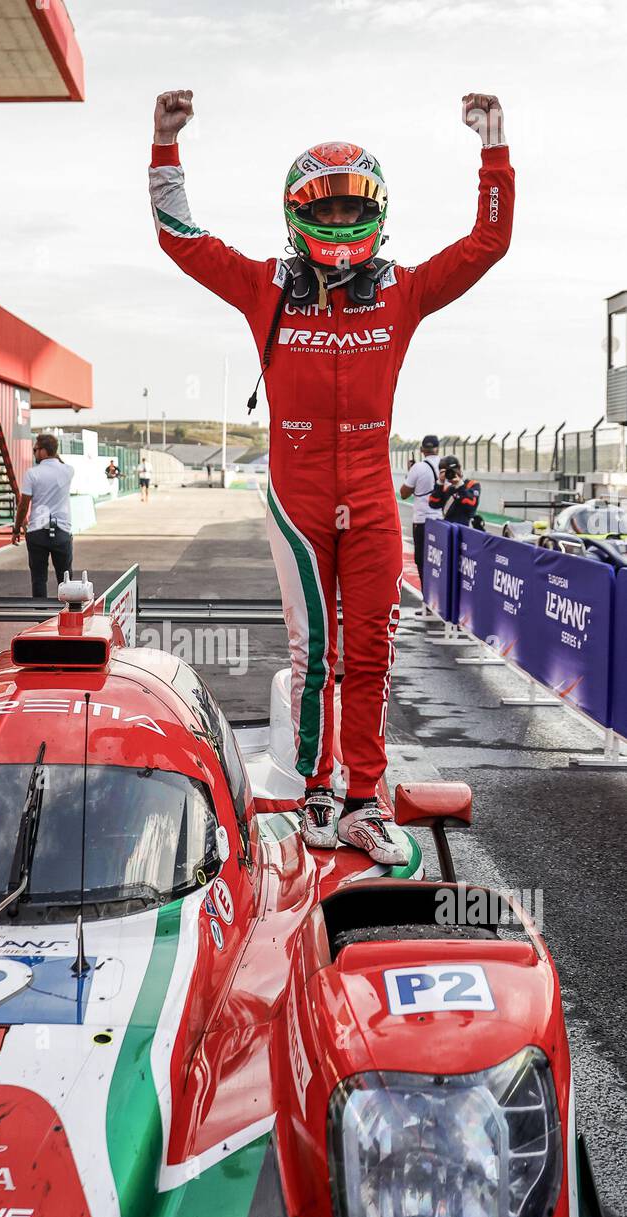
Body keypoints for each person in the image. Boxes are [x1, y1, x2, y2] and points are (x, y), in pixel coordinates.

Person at [150, 89, 513, 858]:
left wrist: (493, 149)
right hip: (299, 498)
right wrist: (164, 144)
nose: (344, 223)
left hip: (375, 499)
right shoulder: (265, 288)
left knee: (373, 655)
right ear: (297, 213)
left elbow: (488, 242)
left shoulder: (404, 290)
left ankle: (361, 801)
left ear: (377, 214)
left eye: (356, 210)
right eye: (330, 210)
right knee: (312, 656)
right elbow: (181, 239)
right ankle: (316, 793)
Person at [13, 434, 75, 598]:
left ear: (43, 451)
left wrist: (16, 528)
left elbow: (23, 504)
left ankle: (41, 616)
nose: (34, 453)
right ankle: (69, 614)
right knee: (65, 577)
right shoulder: (68, 471)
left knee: (39, 579)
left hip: (37, 532)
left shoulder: (32, 473)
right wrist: (53, 453)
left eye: (35, 450)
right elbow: (58, 462)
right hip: (61, 531)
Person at [400, 434, 442, 578]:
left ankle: (426, 593)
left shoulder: (418, 468)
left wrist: (410, 472)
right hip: (442, 521)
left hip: (422, 521)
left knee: (421, 560)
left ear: (422, 449)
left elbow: (404, 493)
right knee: (440, 560)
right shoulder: (446, 465)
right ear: (438, 449)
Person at [428, 457, 481, 526]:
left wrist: (459, 485)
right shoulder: (448, 488)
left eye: (452, 471)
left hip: (465, 528)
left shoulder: (472, 484)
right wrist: (440, 482)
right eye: (447, 472)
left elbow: (471, 505)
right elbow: (433, 504)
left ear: (459, 468)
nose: (450, 474)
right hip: (448, 528)